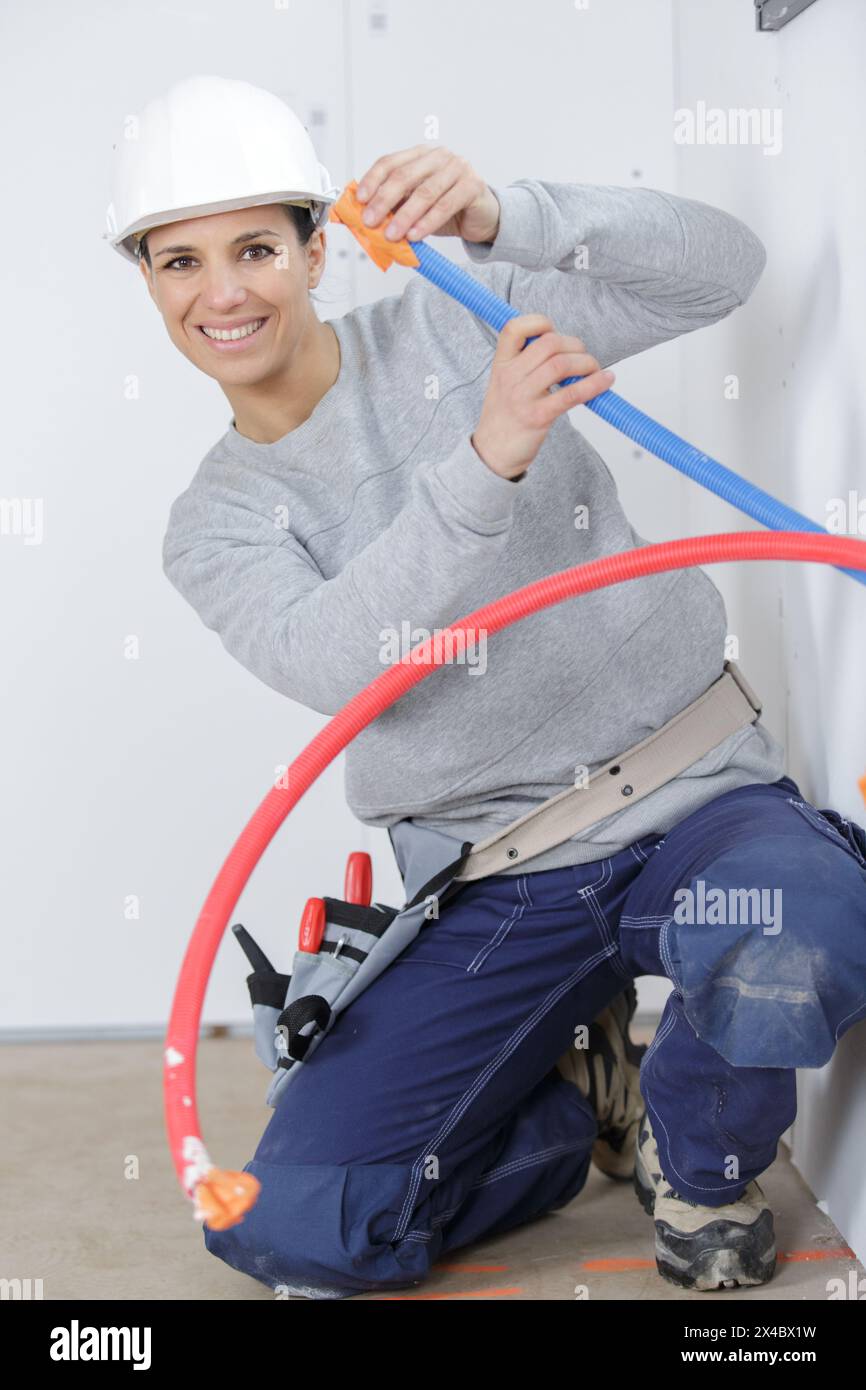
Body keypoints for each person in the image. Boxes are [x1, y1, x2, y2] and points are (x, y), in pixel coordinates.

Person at [107, 74, 866, 1298]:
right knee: (297, 1229)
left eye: (255, 247)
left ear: (315, 249)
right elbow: (332, 663)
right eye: (180, 262)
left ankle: (702, 1160)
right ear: (148, 283)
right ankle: (568, 1103)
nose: (224, 292)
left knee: (795, 930)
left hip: (695, 795)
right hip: (497, 872)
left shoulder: (453, 318)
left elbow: (720, 268)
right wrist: (484, 461)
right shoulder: (217, 522)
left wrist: (506, 215)